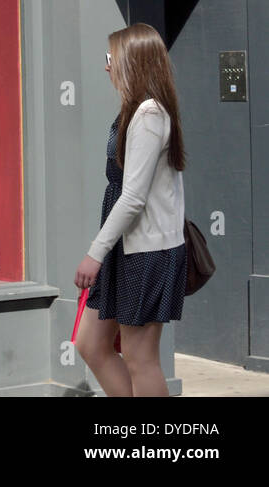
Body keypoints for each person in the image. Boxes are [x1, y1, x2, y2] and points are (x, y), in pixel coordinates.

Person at [74, 22, 186, 397]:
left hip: (147, 251)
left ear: (133, 62)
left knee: (141, 359)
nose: (106, 66)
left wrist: (95, 253)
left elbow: (134, 196)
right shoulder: (136, 111)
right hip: (127, 247)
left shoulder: (150, 114)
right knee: (91, 343)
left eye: (112, 58)